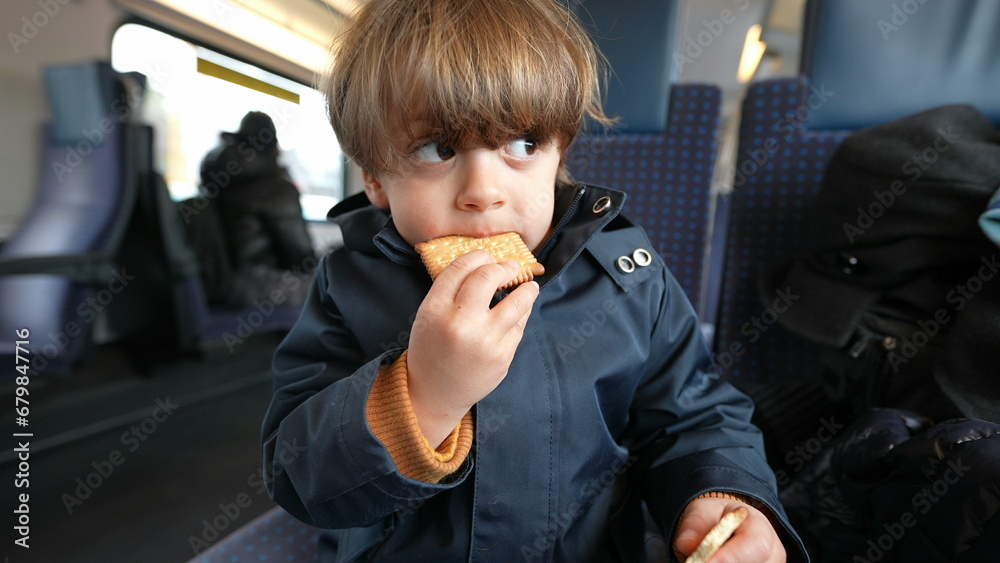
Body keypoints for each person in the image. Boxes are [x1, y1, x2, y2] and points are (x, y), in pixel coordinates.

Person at [261, 0, 806, 561]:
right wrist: (424, 394)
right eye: (437, 149)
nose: (484, 191)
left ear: (559, 152)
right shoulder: (348, 285)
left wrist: (720, 492)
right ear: (375, 178)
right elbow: (297, 477)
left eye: (523, 143)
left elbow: (694, 415)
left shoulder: (628, 276)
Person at [196, 111, 315, 308]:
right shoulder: (275, 186)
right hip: (254, 284)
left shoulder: (218, 175)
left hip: (214, 280)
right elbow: (301, 256)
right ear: (273, 145)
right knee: (331, 287)